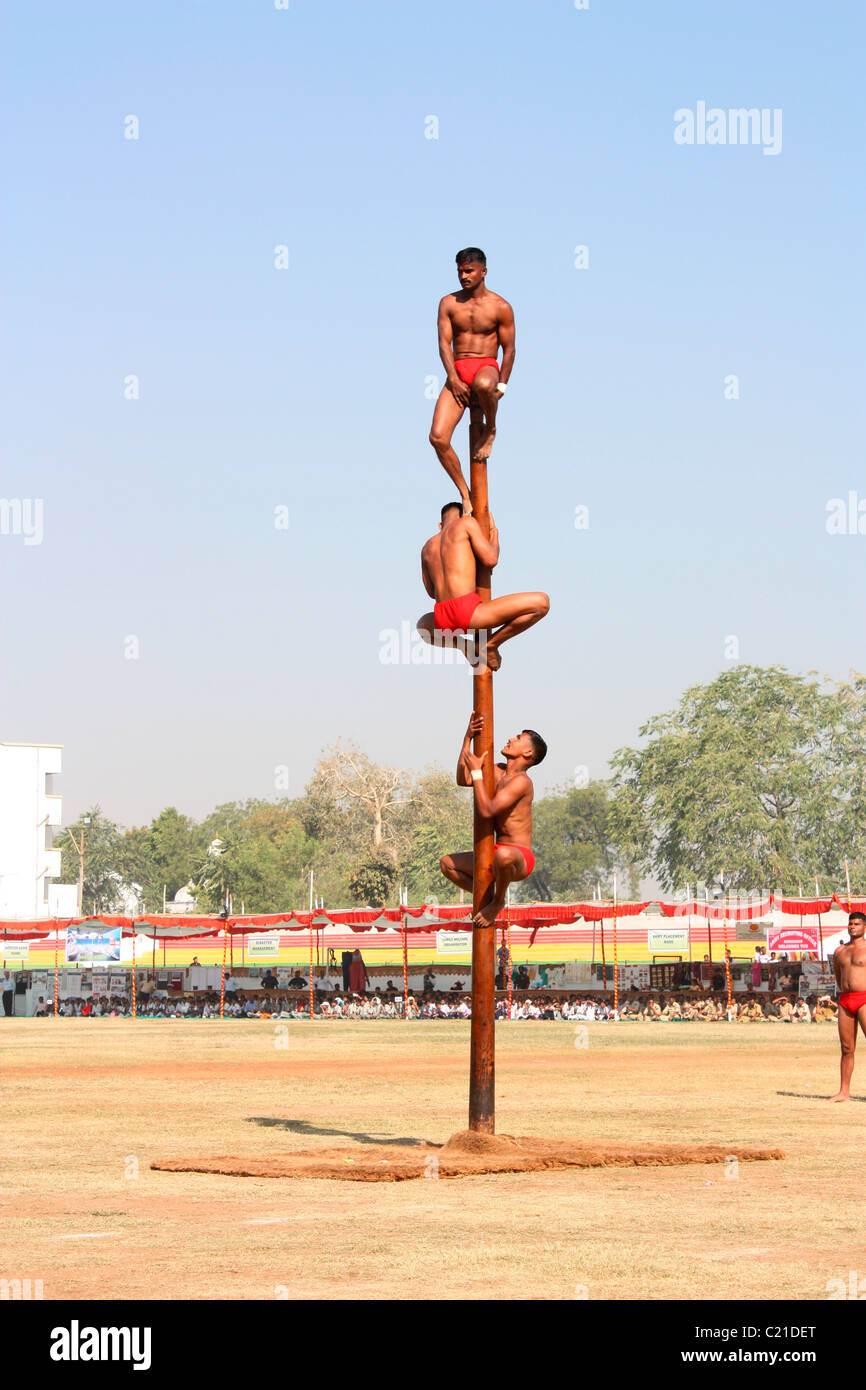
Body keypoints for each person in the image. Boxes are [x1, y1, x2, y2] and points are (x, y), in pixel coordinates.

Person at [429, 247, 515, 513]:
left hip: (485, 366)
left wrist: (502, 384)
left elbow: (509, 349)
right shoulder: (448, 303)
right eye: (460, 271)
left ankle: (491, 429)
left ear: (483, 272)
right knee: (437, 437)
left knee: (484, 384)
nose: (464, 276)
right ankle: (465, 493)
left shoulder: (500, 306)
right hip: (458, 372)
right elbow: (444, 344)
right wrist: (453, 378)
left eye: (469, 271)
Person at [441, 711, 546, 927]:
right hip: (492, 853)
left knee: (504, 855)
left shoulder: (522, 782)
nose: (510, 739)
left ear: (527, 753)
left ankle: (498, 902)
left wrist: (478, 773)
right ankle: (485, 895)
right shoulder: (497, 771)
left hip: (518, 858)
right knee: (447, 864)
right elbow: (463, 779)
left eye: (517, 738)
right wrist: (467, 738)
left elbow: (488, 810)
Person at [417, 502, 549, 671]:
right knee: (541, 603)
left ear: (440, 525)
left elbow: (430, 592)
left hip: (442, 617)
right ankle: (491, 644)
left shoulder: (427, 547)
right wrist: (494, 533)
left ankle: (463, 645)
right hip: (468, 612)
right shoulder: (466, 523)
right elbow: (490, 559)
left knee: (422, 626)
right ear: (464, 516)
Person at [830, 911, 866, 1102]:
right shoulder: (840, 951)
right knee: (846, 1048)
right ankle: (844, 1092)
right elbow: (838, 976)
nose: (852, 926)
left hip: (865, 998)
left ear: (864, 927)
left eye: (857, 924)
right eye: (851, 923)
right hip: (845, 999)